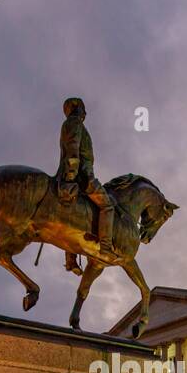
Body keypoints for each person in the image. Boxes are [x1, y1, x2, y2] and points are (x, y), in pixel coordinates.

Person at [56, 97, 116, 271]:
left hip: (73, 174)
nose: (85, 112)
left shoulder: (68, 124)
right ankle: (105, 248)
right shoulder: (75, 123)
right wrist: (71, 176)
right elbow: (73, 149)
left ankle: (70, 259)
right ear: (77, 109)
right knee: (108, 206)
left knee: (74, 216)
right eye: (83, 108)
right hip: (82, 177)